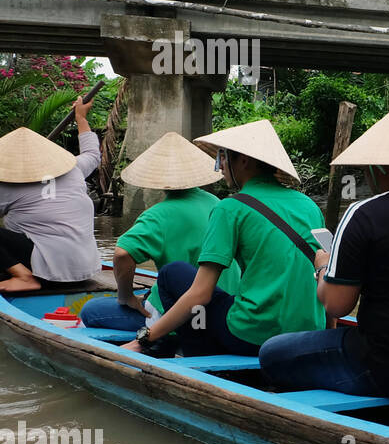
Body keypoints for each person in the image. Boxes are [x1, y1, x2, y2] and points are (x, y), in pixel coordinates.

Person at [259, 110, 389, 397]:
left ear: (378, 167)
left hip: (386, 366)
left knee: (272, 352)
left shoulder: (363, 213)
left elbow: (337, 306)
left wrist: (323, 267)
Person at [121, 120, 324, 358]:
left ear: (244, 161)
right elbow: (326, 274)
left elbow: (200, 294)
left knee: (171, 273)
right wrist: (325, 337)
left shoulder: (231, 208)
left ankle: (199, 358)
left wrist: (144, 339)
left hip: (252, 336)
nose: (221, 167)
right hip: (309, 333)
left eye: (224, 158)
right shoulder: (310, 206)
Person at [81, 132, 241, 332]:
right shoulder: (215, 202)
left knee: (90, 311)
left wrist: (126, 297)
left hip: (181, 312)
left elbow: (122, 253)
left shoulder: (158, 215)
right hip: (224, 304)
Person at [0, 99, 100, 293]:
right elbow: (93, 154)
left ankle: (23, 277)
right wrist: (81, 118)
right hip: (85, 268)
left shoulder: (7, 185)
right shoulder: (75, 169)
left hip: (44, 269)